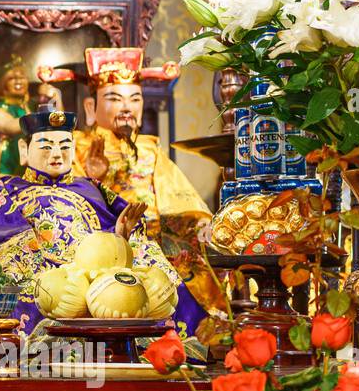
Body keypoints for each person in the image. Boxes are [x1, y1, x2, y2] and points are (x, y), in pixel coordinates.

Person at [0, 109, 200, 336]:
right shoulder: (13, 190)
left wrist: (119, 236)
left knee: (146, 252)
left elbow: (109, 229)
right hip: (57, 278)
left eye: (64, 145)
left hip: (102, 268)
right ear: (24, 150)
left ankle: (172, 338)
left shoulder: (89, 187)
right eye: (45, 146)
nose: (56, 155)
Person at [42, 46, 226, 316]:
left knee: (192, 263)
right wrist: (93, 179)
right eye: (115, 98)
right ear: (91, 107)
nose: (127, 108)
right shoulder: (74, 144)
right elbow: (60, 205)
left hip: (150, 244)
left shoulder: (149, 148)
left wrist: (203, 223)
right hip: (96, 247)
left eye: (135, 99)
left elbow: (180, 202)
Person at [0, 56, 59, 181]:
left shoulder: (31, 105)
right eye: (12, 78)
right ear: (2, 83)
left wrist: (53, 96)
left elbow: (59, 120)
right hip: (5, 169)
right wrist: (42, 117)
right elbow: (8, 126)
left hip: (31, 168)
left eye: (22, 77)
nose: (19, 81)